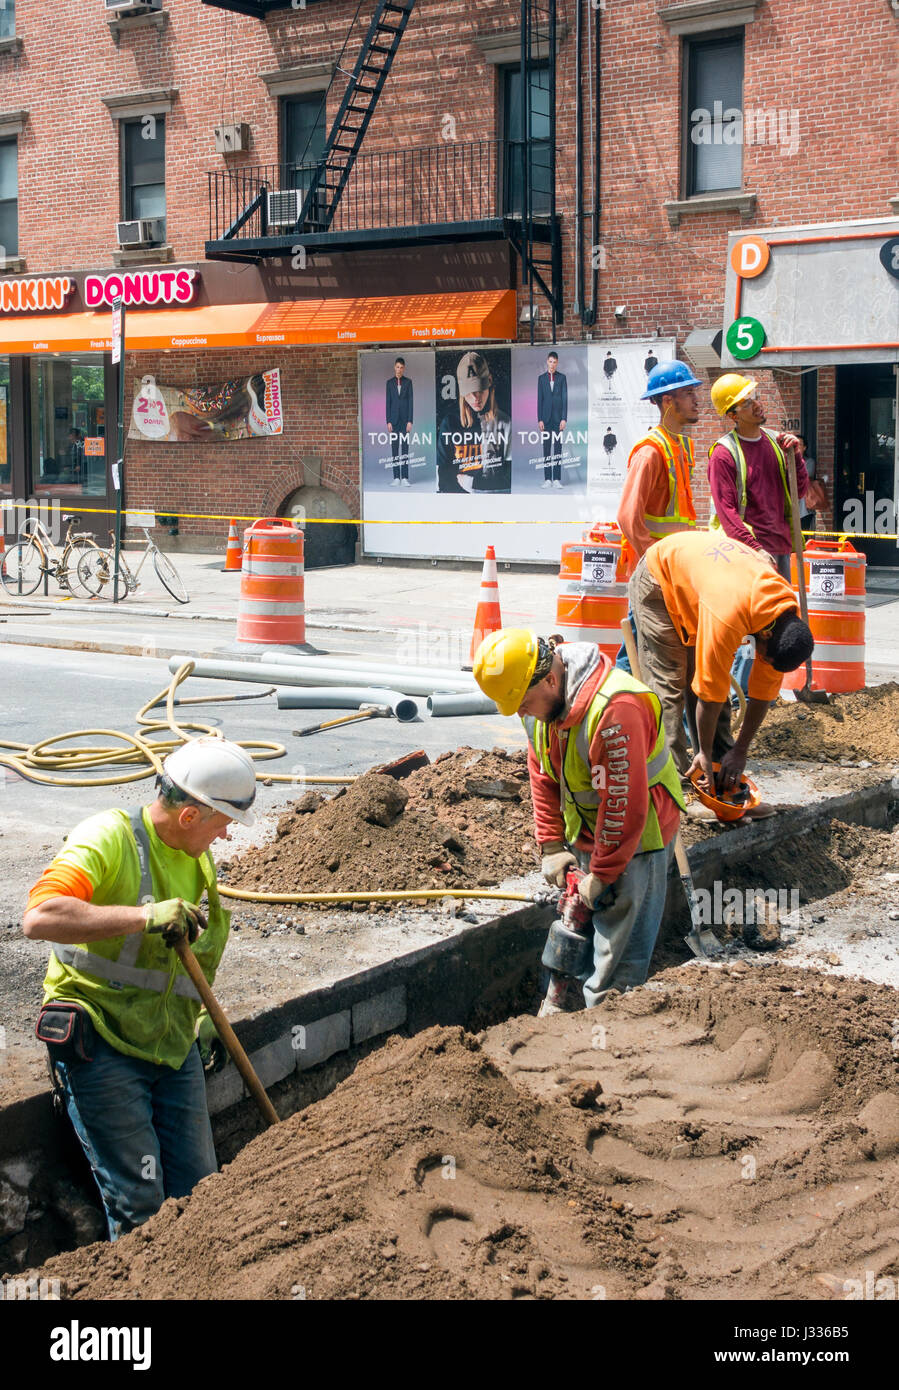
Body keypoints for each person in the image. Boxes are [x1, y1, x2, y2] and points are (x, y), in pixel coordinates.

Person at [23, 738, 258, 1241]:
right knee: (141, 1206)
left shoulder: (195, 860)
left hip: (170, 1046)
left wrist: (200, 1022)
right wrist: (144, 916)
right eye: (222, 825)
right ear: (191, 815)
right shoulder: (109, 837)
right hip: (102, 1039)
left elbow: (195, 954)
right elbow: (40, 917)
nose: (225, 837)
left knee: (201, 1194)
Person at [473, 628, 684, 1010]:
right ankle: (571, 1011)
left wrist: (602, 875)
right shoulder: (539, 703)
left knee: (616, 959)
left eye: (522, 703)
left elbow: (623, 806)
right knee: (584, 943)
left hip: (638, 835)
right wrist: (552, 843)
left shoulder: (617, 710)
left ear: (551, 679)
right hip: (590, 827)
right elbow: (541, 770)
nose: (519, 712)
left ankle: (608, 1031)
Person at [629, 531, 814, 816]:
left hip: (701, 586)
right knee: (668, 687)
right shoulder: (729, 615)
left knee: (706, 681)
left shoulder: (783, 619)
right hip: (659, 579)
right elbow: (709, 691)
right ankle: (674, 792)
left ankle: (721, 782)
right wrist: (700, 749)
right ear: (764, 637)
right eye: (764, 656)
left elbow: (762, 695)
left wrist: (740, 750)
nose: (761, 660)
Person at [708, 374, 808, 581]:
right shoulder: (724, 454)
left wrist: (796, 458)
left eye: (754, 397)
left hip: (780, 546)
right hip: (747, 552)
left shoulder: (776, 442)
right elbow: (727, 511)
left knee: (780, 612)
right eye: (746, 403)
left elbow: (799, 491)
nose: (756, 405)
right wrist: (755, 550)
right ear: (733, 415)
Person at [436, 351, 511, 493]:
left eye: (480, 390)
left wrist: (474, 483)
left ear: (489, 381)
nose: (476, 398)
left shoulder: (504, 423)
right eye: (470, 392)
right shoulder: (450, 423)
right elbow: (443, 479)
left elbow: (510, 478)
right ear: (462, 392)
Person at [537, 350, 568, 490]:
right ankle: (547, 479)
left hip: (558, 420)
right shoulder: (541, 378)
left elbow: (565, 399)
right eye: (550, 361)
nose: (552, 364)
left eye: (554, 362)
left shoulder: (562, 378)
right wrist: (540, 419)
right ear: (547, 362)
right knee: (546, 449)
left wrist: (564, 418)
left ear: (557, 363)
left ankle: (556, 479)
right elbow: (540, 400)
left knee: (557, 449)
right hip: (546, 419)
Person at [385, 356, 413, 487]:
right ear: (394, 367)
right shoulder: (389, 383)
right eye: (397, 367)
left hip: (405, 420)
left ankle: (405, 477)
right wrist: (388, 421)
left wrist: (410, 421)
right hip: (394, 421)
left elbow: (411, 402)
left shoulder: (408, 382)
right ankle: (396, 477)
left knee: (405, 449)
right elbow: (388, 403)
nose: (399, 369)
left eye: (401, 367)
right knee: (395, 450)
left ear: (404, 369)